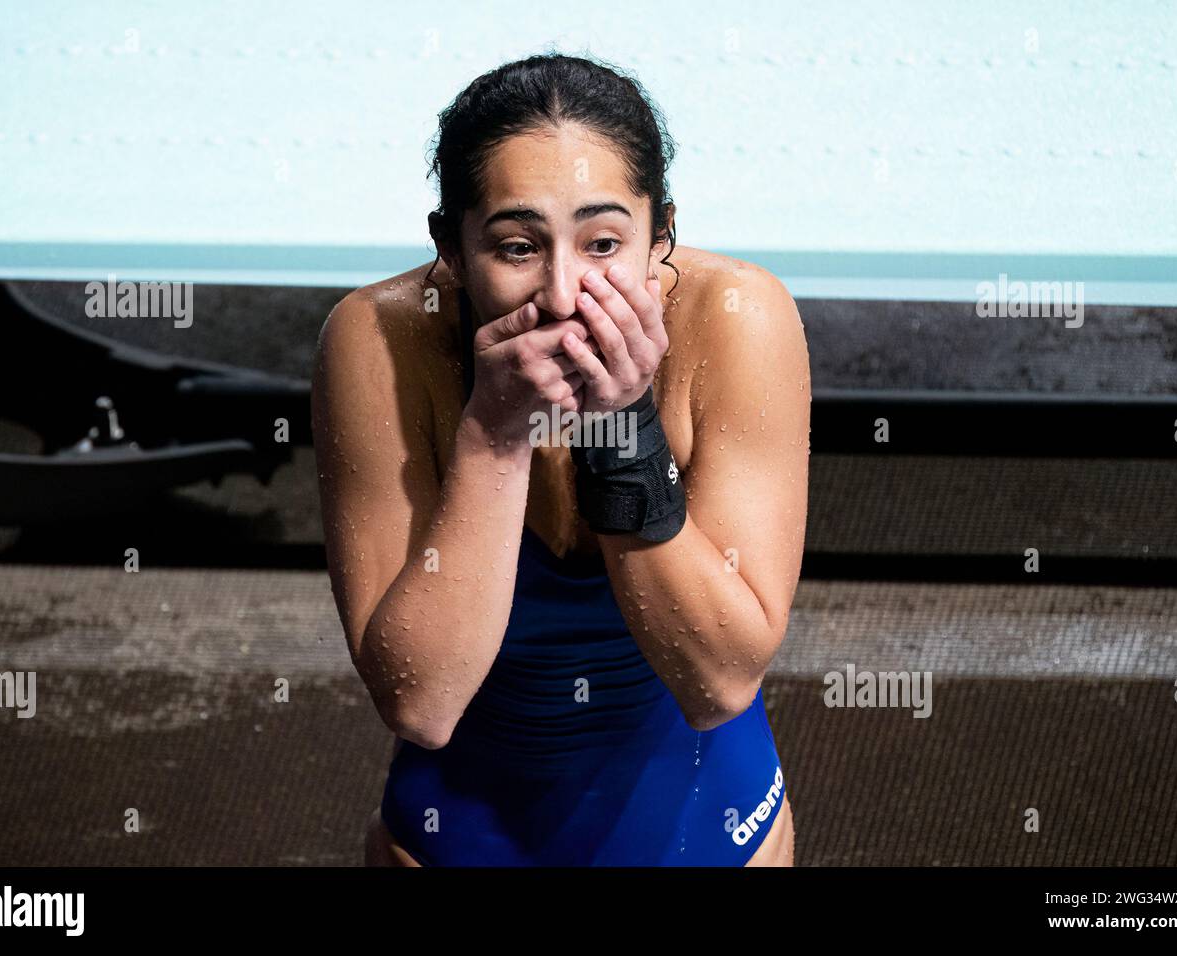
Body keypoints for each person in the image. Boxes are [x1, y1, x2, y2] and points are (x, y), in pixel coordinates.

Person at [313, 51, 810, 865]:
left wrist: (623, 428)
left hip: (706, 825)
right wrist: (493, 436)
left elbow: (718, 680)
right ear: (451, 248)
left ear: (663, 237)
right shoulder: (378, 341)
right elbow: (421, 702)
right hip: (455, 834)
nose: (565, 292)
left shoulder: (736, 318)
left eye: (605, 242)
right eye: (516, 248)